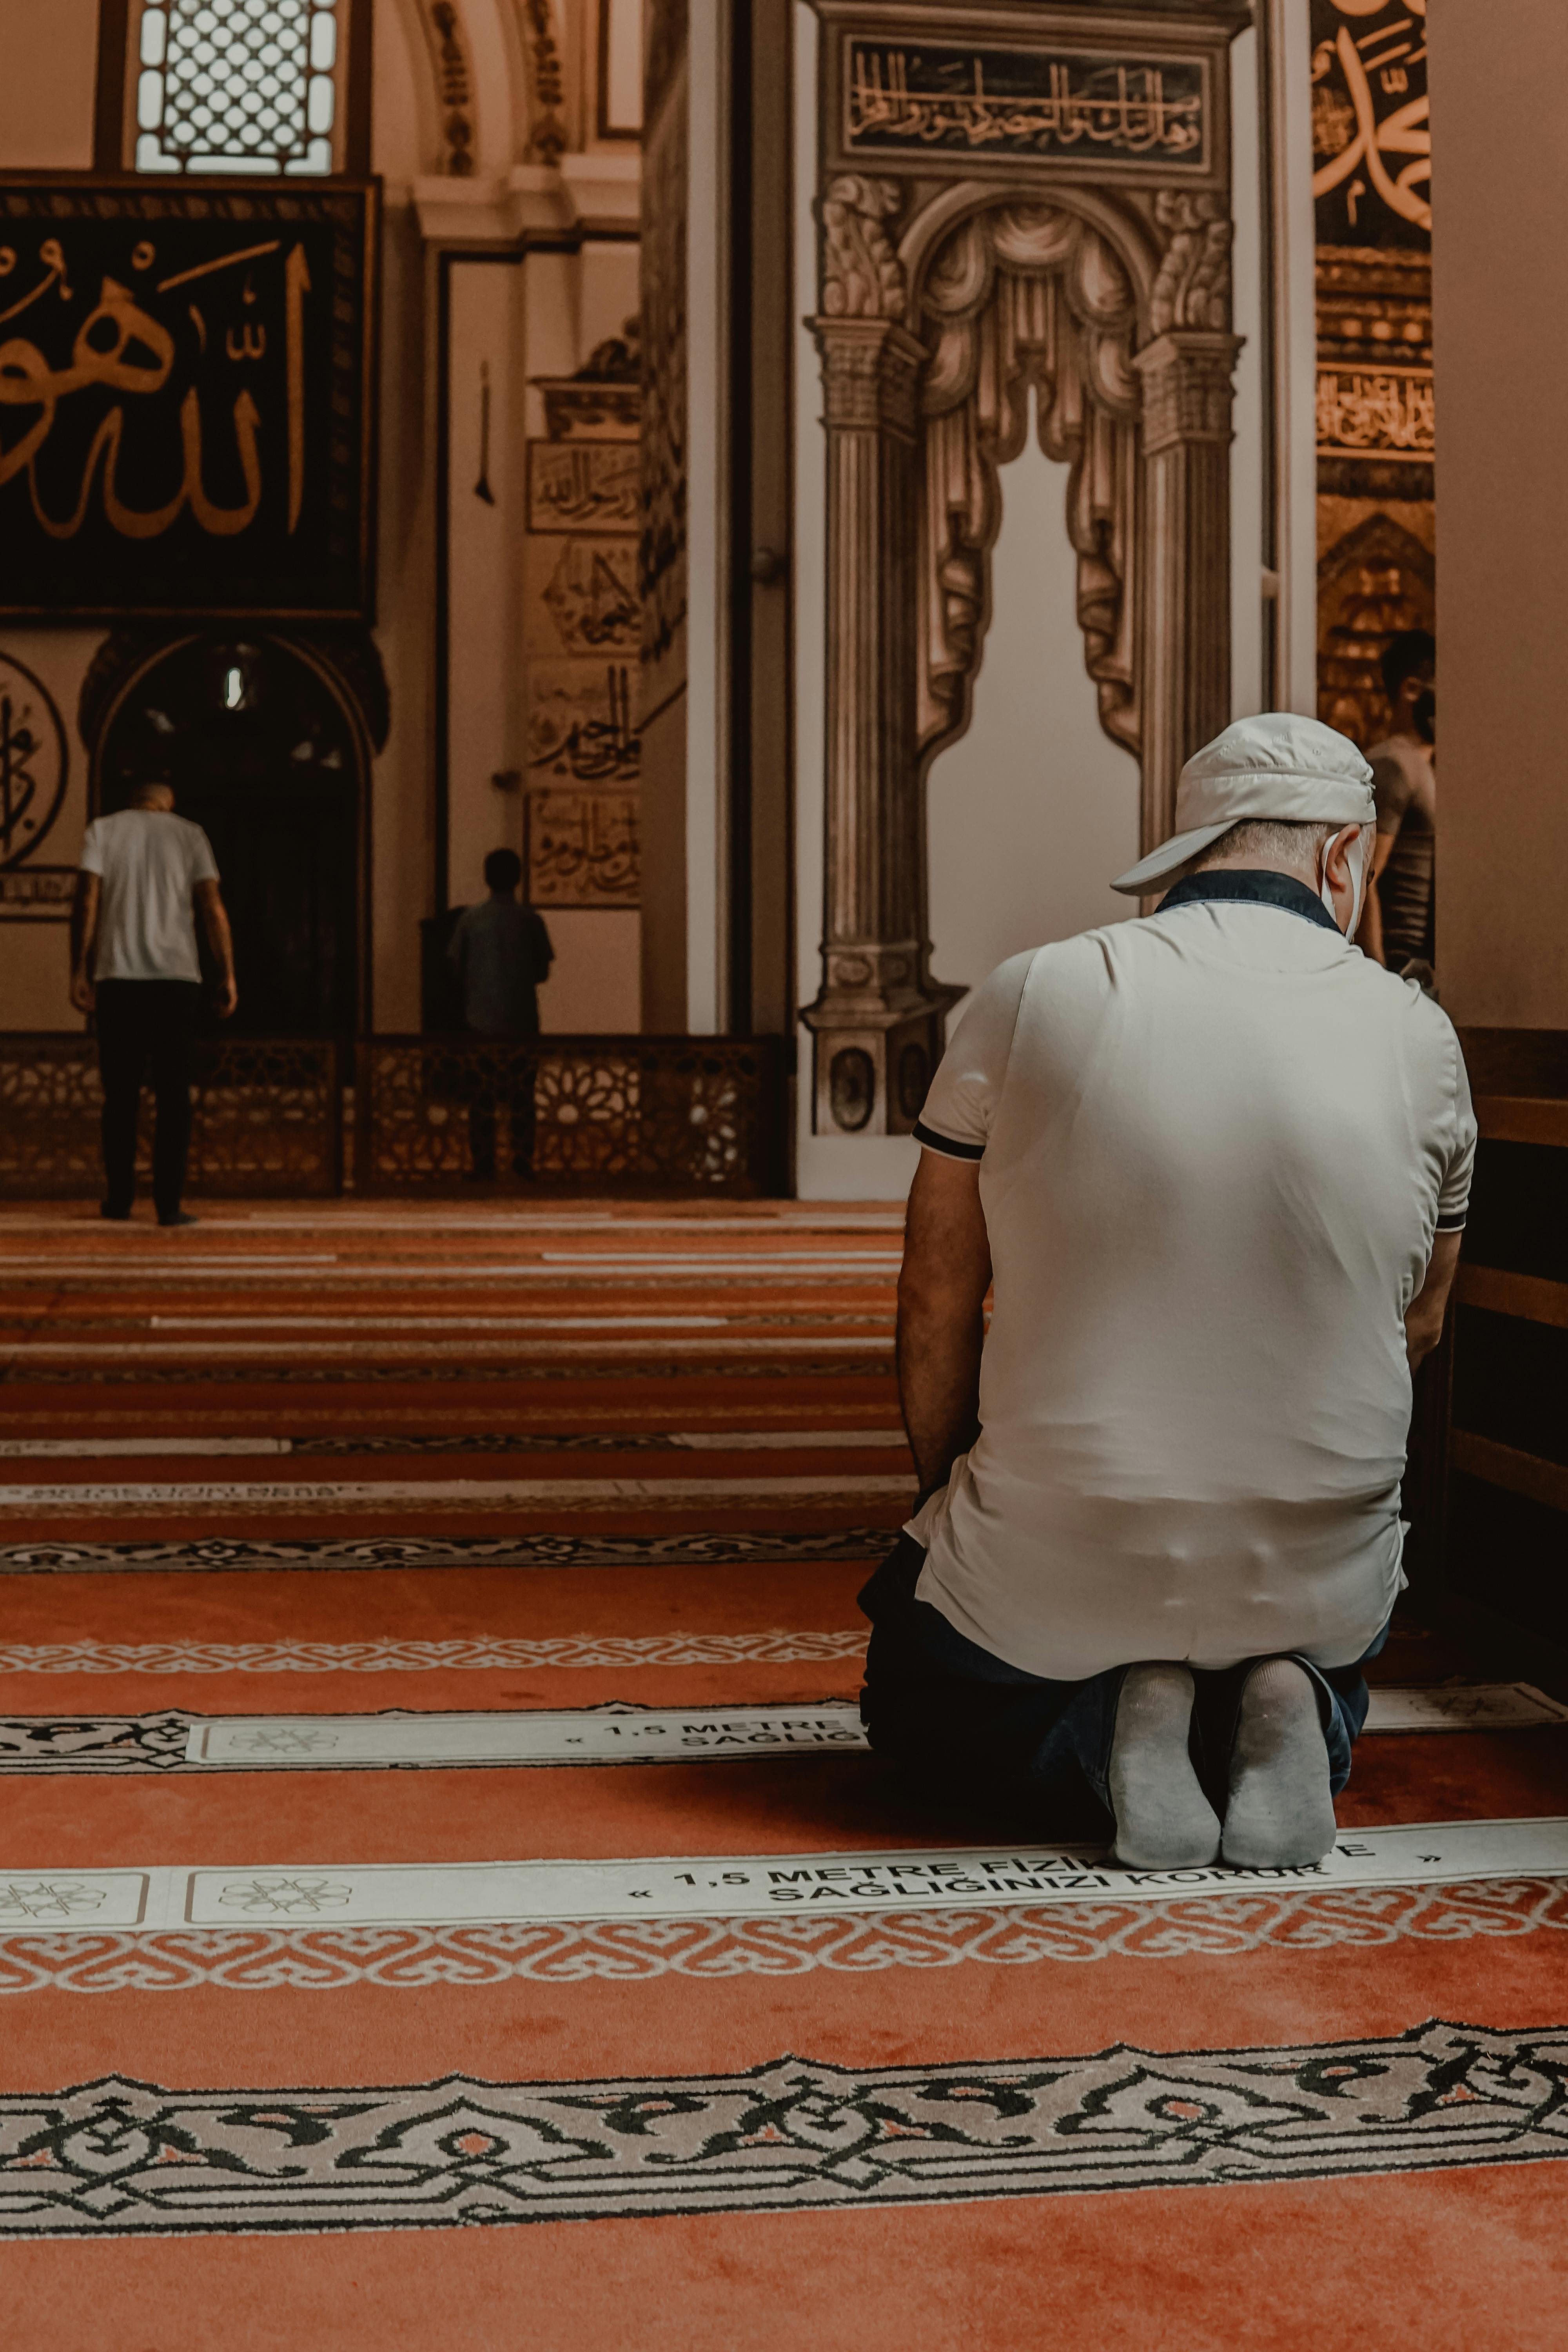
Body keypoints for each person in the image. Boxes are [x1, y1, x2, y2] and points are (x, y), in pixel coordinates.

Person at [863, 713, 1475, 1873]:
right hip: (1312, 1560)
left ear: (1191, 852)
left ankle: (1108, 1728)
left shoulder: (1029, 990)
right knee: (1300, 1619)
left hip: (1064, 1545)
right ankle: (1299, 1695)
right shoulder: (1420, 1037)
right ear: (1343, 859)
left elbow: (934, 1293)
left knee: (912, 1690)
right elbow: (1420, 1319)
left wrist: (950, 1502)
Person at [69, 782, 237, 1229]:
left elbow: (87, 900)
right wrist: (227, 973)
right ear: (167, 801)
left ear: (134, 800)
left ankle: (119, 1200)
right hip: (176, 981)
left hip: (119, 979)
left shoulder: (103, 831)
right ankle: (169, 1206)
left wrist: (78, 970)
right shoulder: (189, 834)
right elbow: (212, 907)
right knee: (174, 1097)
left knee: (120, 1097)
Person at [447, 848, 554, 1180]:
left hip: (480, 1021)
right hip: (522, 1021)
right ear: (519, 878)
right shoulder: (531, 920)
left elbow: (454, 966)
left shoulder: (471, 920)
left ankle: (484, 1164)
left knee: (481, 1098)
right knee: (522, 1097)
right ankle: (523, 1162)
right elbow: (542, 972)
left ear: (486, 878)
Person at [1359, 628, 1436, 984]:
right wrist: (1379, 975)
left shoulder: (1424, 767)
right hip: (1399, 966)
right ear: (1412, 690)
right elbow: (1363, 873)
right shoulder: (1393, 766)